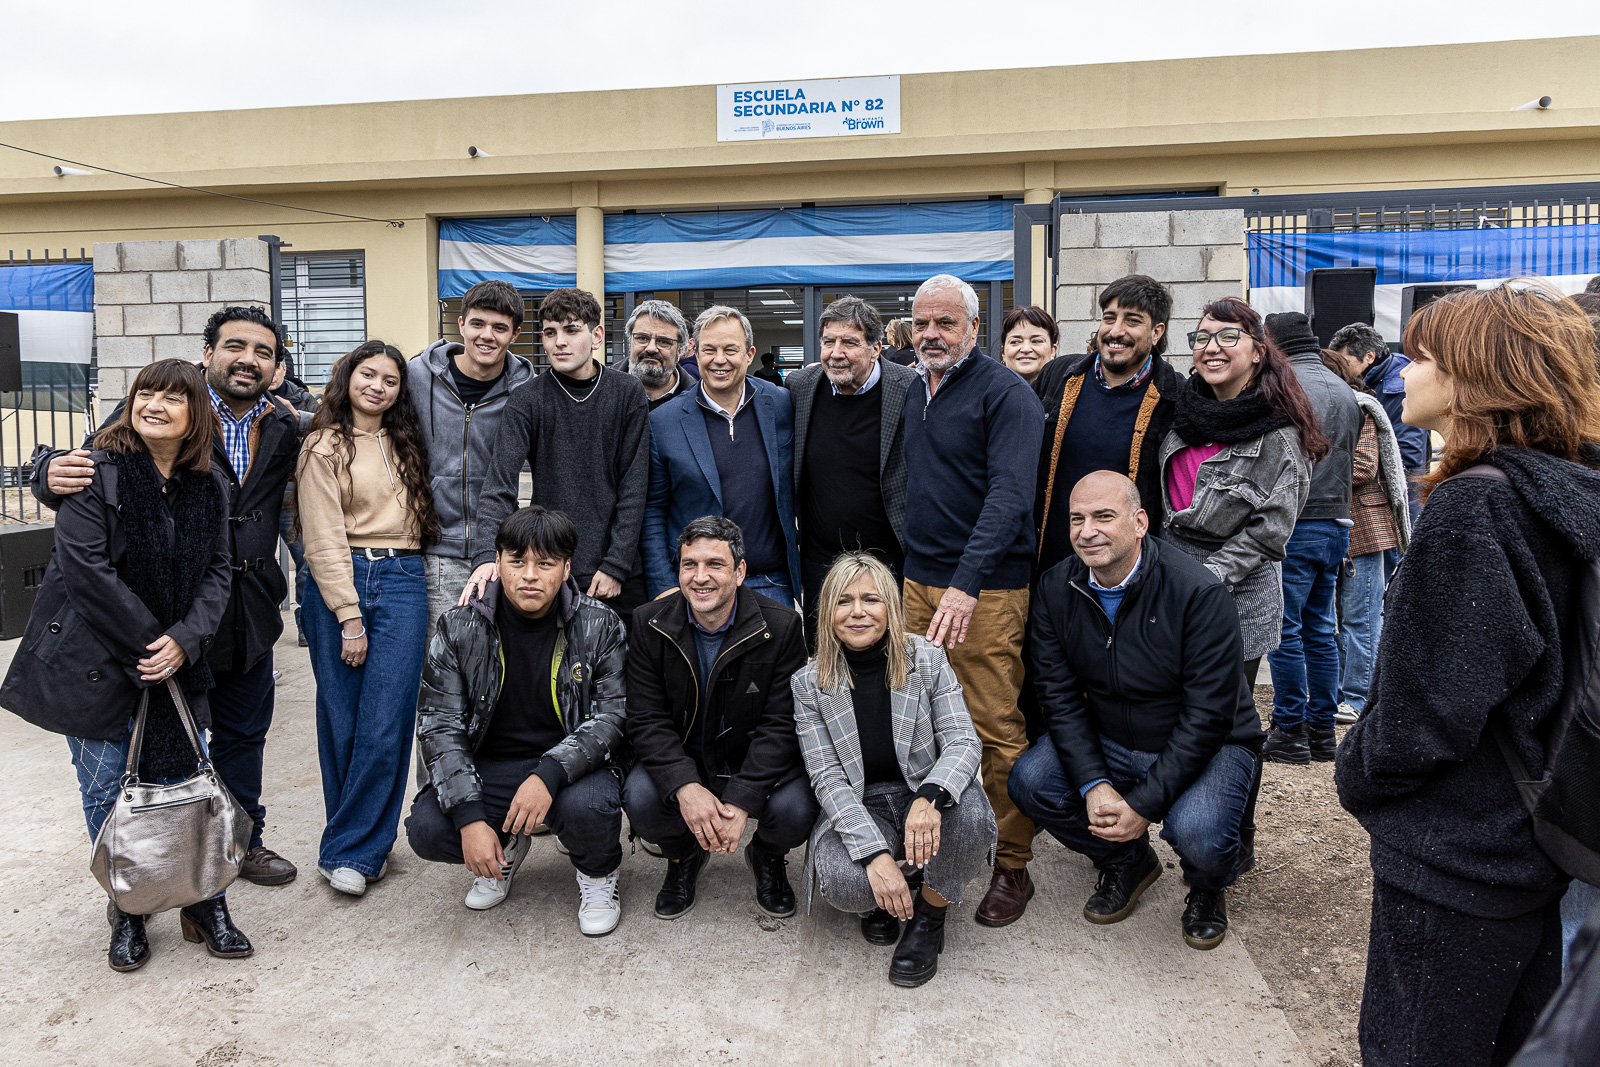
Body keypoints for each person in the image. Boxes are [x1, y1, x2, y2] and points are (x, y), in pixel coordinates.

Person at [1335, 283, 1600, 1067]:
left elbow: (1425, 714)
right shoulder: (1567, 488)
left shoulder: (1474, 510)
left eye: (1421, 355)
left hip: (1457, 856)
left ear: (1474, 375)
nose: (1405, 370)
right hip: (1536, 839)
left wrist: (1358, 771)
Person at [33, 305, 304, 888]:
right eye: (236, 347)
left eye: (263, 352)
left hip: (246, 607)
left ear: (276, 367)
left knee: (243, 733)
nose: (247, 360)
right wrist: (45, 471)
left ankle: (243, 839)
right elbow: (93, 457)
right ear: (209, 354)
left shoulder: (284, 423)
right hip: (167, 609)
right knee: (164, 742)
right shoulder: (167, 400)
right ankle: (145, 874)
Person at [2, 359, 244, 970]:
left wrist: (186, 642)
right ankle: (128, 909)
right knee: (108, 794)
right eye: (145, 393)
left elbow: (219, 570)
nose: (154, 404)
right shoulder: (93, 474)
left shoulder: (209, 483)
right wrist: (153, 643)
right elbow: (87, 572)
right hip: (100, 663)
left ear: (196, 416)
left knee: (192, 783)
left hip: (180, 664)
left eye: (171, 396)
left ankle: (205, 899)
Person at [1009, 472, 1264, 951]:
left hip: (1210, 744)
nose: (1088, 531)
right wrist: (1093, 782)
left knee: (1200, 836)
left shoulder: (1198, 593)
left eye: (1104, 517)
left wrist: (1144, 804)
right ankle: (1128, 862)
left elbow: (1208, 715)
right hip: (1113, 737)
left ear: (1140, 521)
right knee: (1030, 782)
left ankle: (1208, 888)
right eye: (1077, 519)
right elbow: (1058, 697)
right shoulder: (1055, 589)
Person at [901, 273, 1046, 927]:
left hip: (984, 588)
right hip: (917, 582)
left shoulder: (1007, 395)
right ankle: (928, 838)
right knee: (914, 715)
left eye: (945, 324)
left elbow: (1010, 496)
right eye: (921, 323)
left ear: (974, 329)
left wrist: (965, 581)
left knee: (993, 726)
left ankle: (1012, 863)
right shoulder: (915, 390)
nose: (931, 334)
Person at [406, 507, 628, 934]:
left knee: (589, 807)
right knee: (430, 828)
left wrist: (547, 775)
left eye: (544, 564)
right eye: (517, 561)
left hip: (572, 768)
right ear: (497, 562)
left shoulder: (599, 624)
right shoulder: (459, 627)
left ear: (566, 569)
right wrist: (470, 817)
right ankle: (503, 845)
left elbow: (612, 718)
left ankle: (598, 876)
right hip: (492, 766)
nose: (529, 575)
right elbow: (439, 724)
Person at [792, 552, 996, 987]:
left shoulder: (926, 658)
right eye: (844, 601)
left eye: (871, 599)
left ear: (891, 605)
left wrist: (930, 797)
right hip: (862, 803)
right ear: (827, 611)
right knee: (847, 882)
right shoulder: (808, 684)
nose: (858, 612)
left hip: (919, 790)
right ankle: (880, 900)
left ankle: (929, 916)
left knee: (973, 815)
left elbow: (963, 740)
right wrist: (874, 855)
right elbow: (827, 779)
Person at [296, 341, 439, 897]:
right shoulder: (321, 446)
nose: (377, 386)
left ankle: (355, 849)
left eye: (390, 380)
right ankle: (353, 843)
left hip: (403, 579)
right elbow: (323, 537)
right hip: (340, 582)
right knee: (342, 721)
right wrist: (348, 616)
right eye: (367, 374)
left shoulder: (406, 443)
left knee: (387, 721)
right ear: (347, 377)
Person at [623, 516, 816, 921]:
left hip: (751, 764)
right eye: (689, 564)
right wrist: (685, 786)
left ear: (740, 571)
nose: (700, 577)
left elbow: (781, 725)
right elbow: (646, 718)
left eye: (715, 564)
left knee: (798, 809)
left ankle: (766, 855)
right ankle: (683, 857)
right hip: (686, 759)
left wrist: (743, 800)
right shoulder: (647, 622)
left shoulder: (781, 627)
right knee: (640, 798)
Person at [1160, 298, 1320, 689]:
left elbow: (1269, 533)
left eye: (1228, 336)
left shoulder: (1280, 436)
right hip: (1170, 582)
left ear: (1258, 352)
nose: (1211, 348)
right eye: (1201, 338)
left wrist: (1204, 577)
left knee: (1227, 717)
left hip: (1237, 592)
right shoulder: (1182, 413)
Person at [463, 288, 652, 617]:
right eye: (550, 332)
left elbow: (634, 486)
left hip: (617, 573)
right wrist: (484, 557)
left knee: (618, 667)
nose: (559, 342)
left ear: (596, 336)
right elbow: (498, 485)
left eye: (571, 330)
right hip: (549, 569)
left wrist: (616, 564)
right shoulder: (527, 398)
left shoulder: (627, 392)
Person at [642, 305, 801, 604]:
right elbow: (653, 510)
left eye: (730, 349)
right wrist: (663, 585)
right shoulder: (664, 422)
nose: (719, 360)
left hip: (770, 582)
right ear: (695, 353)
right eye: (709, 349)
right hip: (697, 586)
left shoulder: (780, 405)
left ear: (750, 354)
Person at [785, 295, 916, 646]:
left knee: (893, 662)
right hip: (820, 564)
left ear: (876, 348)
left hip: (890, 564)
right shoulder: (799, 388)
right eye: (828, 341)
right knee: (824, 662)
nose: (835, 352)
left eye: (849, 342)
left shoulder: (910, 389)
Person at [1261, 312, 1362, 766]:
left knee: (1285, 630)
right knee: (1321, 628)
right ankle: (1322, 730)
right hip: (1337, 522)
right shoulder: (1345, 388)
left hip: (1298, 521)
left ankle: (1290, 729)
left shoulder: (1285, 384)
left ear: (1272, 342)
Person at [410, 280, 536, 640]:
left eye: (500, 328)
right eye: (478, 324)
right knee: (439, 660)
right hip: (433, 549)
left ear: (515, 335)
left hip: (501, 550)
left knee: (492, 662)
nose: (487, 336)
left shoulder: (527, 390)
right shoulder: (417, 376)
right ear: (461, 323)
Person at [1033, 275, 1181, 576]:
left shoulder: (1175, 396)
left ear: (1156, 332)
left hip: (1127, 574)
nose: (1116, 331)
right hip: (1048, 566)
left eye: (1132, 320)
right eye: (1109, 318)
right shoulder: (1059, 375)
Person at [1317, 351, 1412, 726]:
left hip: (1366, 531)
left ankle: (1359, 699)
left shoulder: (1361, 408)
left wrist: (1307, 465)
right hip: (1335, 528)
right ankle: (1343, 693)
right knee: (1334, 620)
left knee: (1363, 618)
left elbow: (1364, 466)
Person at [1329, 323, 1430, 525]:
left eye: (1345, 362)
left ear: (1369, 356)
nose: (1339, 369)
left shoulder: (1397, 387)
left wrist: (1360, 461)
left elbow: (1408, 452)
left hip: (1400, 492)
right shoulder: (1382, 375)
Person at [272, 351, 318, 646]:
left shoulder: (302, 400)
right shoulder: (244, 397)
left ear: (282, 369)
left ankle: (303, 624)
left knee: (305, 558)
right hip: (259, 494)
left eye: (274, 365)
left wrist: (296, 418)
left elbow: (325, 432)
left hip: (292, 491)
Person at [626, 298, 695, 411]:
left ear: (679, 351)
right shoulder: (601, 391)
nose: (651, 348)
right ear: (630, 343)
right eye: (642, 338)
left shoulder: (699, 401)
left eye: (663, 342)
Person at [999, 305, 1059, 385]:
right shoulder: (989, 394)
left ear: (1053, 351)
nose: (1026, 349)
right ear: (1003, 353)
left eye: (1037, 341)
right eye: (1015, 342)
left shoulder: (1070, 392)